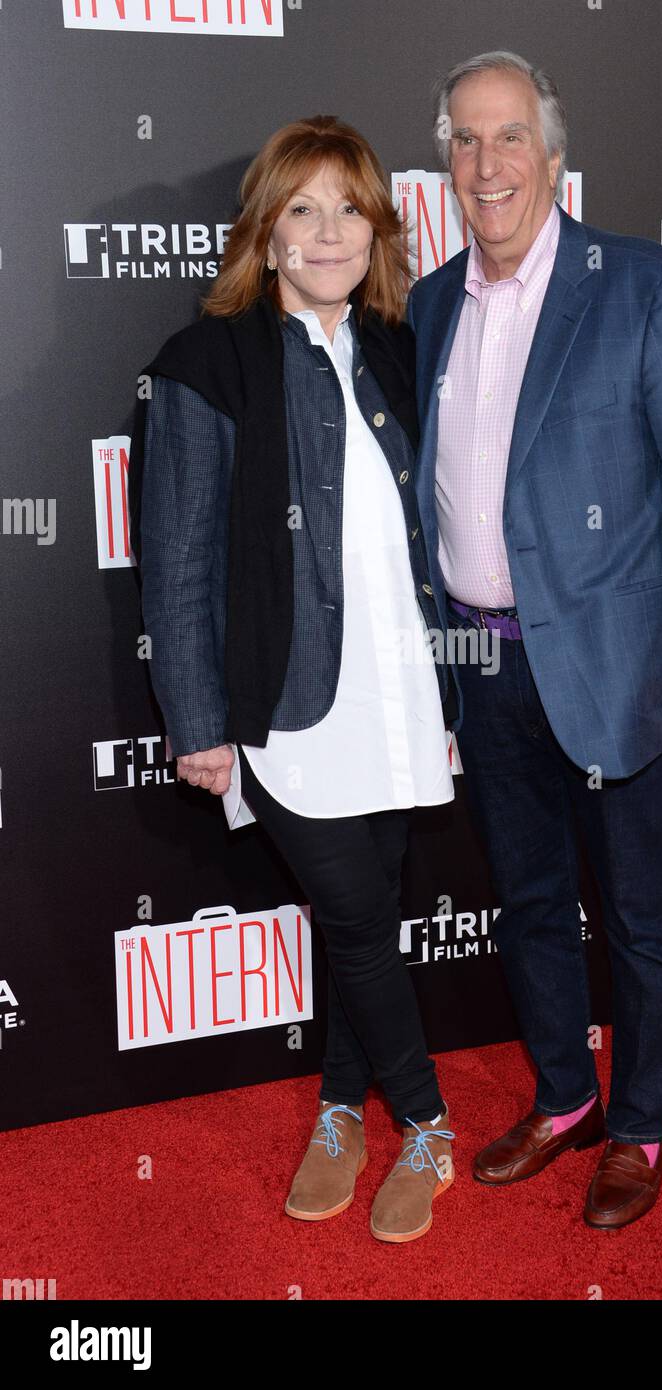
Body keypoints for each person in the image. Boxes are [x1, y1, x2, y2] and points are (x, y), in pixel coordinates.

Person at [407, 52, 662, 1228]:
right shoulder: (433, 301)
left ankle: (641, 1126)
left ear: (552, 155)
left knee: (643, 911)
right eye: (462, 140)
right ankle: (566, 1099)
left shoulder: (642, 287)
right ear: (443, 162)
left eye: (507, 137)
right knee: (530, 900)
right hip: (483, 661)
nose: (485, 163)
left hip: (620, 667)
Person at [128, 117, 457, 1245]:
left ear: (377, 228)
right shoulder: (204, 362)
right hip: (285, 700)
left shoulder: (400, 349)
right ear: (265, 235)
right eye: (303, 209)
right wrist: (198, 720)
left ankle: (337, 1109)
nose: (329, 231)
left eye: (350, 208)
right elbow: (175, 557)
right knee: (361, 919)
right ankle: (425, 1122)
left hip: (404, 689)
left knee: (365, 920)